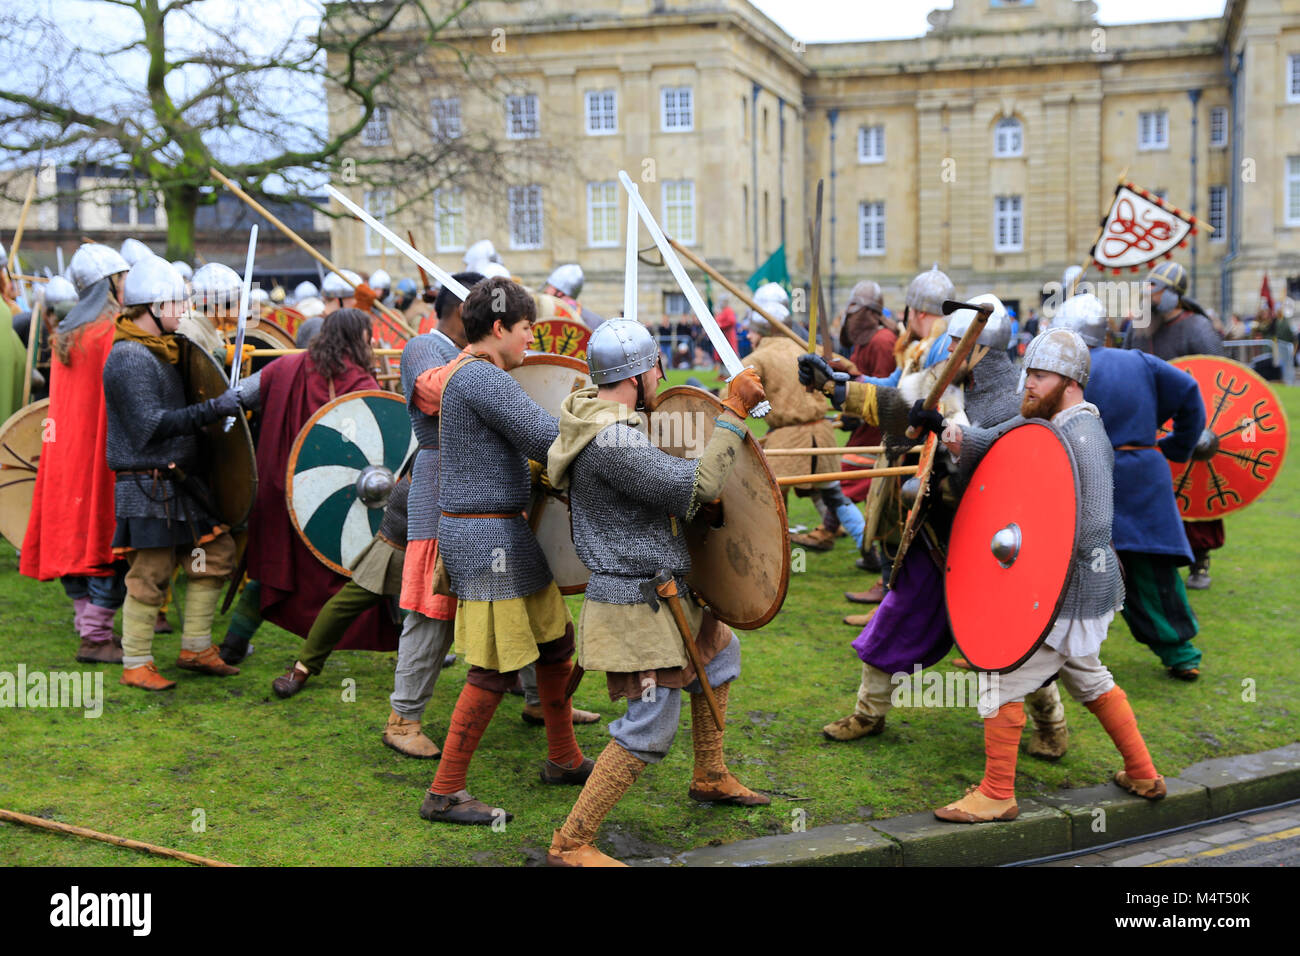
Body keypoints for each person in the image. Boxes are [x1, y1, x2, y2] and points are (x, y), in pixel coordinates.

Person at [800, 294, 1067, 758]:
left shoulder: (1014, 402)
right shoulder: (950, 378)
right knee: (895, 615)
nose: (949, 350)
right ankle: (869, 712)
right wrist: (836, 388)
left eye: (959, 343)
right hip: (936, 533)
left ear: (983, 348)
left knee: (1009, 641)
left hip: (989, 546)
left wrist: (949, 430)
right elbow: (896, 403)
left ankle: (1052, 724)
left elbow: (1009, 470)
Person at [544, 320, 770, 866]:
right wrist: (733, 416)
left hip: (665, 589)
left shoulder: (604, 419)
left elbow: (663, 488)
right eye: (656, 368)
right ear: (639, 373)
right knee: (650, 723)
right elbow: (694, 488)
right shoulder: (614, 439)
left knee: (719, 658)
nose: (661, 377)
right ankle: (571, 841)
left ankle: (710, 774)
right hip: (635, 601)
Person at [924, 329, 1165, 822]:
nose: (1027, 384)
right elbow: (990, 445)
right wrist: (946, 429)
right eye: (1028, 373)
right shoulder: (1042, 419)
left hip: (1067, 589)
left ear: (1070, 382)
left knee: (1001, 679)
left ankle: (997, 793)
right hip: (1063, 589)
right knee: (1089, 678)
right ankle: (1142, 772)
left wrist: (1035, 557)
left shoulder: (1082, 435)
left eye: (1039, 375)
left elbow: (1094, 523)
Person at [412, 277, 589, 825]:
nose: (531, 341)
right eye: (527, 329)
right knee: (491, 671)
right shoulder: (482, 378)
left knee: (557, 645)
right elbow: (545, 437)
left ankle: (562, 758)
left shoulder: (474, 376)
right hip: (487, 540)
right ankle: (444, 792)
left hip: (505, 534)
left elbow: (520, 451)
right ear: (498, 329)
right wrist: (601, 419)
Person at [219, 309, 399, 663]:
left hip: (282, 492)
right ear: (354, 338)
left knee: (275, 572)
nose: (371, 342)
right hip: (343, 501)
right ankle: (421, 649)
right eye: (367, 335)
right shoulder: (361, 382)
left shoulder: (283, 369)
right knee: (381, 566)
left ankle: (232, 646)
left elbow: (237, 397)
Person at [102, 256, 246, 689]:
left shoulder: (165, 352)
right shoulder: (129, 358)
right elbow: (150, 426)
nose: (182, 311)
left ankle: (197, 647)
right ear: (150, 306)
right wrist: (213, 407)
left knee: (213, 556)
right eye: (175, 303)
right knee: (151, 573)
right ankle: (136, 663)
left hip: (180, 483)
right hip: (147, 485)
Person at [1054, 293, 1207, 680]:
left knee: (1063, 569)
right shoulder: (1139, 362)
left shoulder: (1058, 371)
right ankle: (1181, 652)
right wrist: (1177, 447)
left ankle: (1048, 649)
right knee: (1150, 571)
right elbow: (1190, 394)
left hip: (1082, 478)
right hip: (1140, 473)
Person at [21, 243, 132, 663]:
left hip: (64, 455)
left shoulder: (65, 335)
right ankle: (95, 636)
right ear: (108, 285)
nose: (126, 287)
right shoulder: (110, 333)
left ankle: (87, 624)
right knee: (103, 543)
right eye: (121, 280)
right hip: (97, 453)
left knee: (72, 537)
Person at [742, 298, 864, 554]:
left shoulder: (759, 358)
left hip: (789, 438)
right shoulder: (807, 348)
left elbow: (735, 392)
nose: (748, 335)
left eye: (752, 330)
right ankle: (868, 547)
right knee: (832, 495)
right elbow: (849, 368)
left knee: (770, 496)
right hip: (822, 432)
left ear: (764, 330)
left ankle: (773, 553)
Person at [1133, 261, 1224, 590]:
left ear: (1173, 295)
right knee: (1154, 494)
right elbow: (1132, 368)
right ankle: (1157, 561)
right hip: (1150, 420)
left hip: (1192, 422)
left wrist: (1204, 425)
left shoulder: (1197, 328)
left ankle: (1200, 562)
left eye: (1155, 291)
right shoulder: (1141, 326)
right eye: (1147, 290)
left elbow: (1218, 376)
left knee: (1196, 494)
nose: (1149, 297)